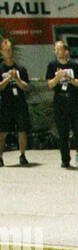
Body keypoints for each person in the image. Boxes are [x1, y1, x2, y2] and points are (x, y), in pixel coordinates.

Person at [45, 40, 78, 169]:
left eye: (60, 49)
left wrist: (68, 78)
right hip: (60, 100)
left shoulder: (74, 65)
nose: (57, 52)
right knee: (62, 131)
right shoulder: (52, 65)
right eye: (55, 49)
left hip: (73, 99)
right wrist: (58, 77)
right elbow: (50, 85)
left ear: (66, 51)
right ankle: (65, 159)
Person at [0, 36, 32, 166]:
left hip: (19, 103)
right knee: (2, 132)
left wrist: (17, 79)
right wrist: (8, 78)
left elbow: (26, 87)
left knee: (21, 130)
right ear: (1, 51)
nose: (8, 52)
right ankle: (0, 156)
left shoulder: (21, 68)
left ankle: (22, 155)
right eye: (5, 50)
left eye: (10, 49)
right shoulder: (1, 68)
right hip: (5, 104)